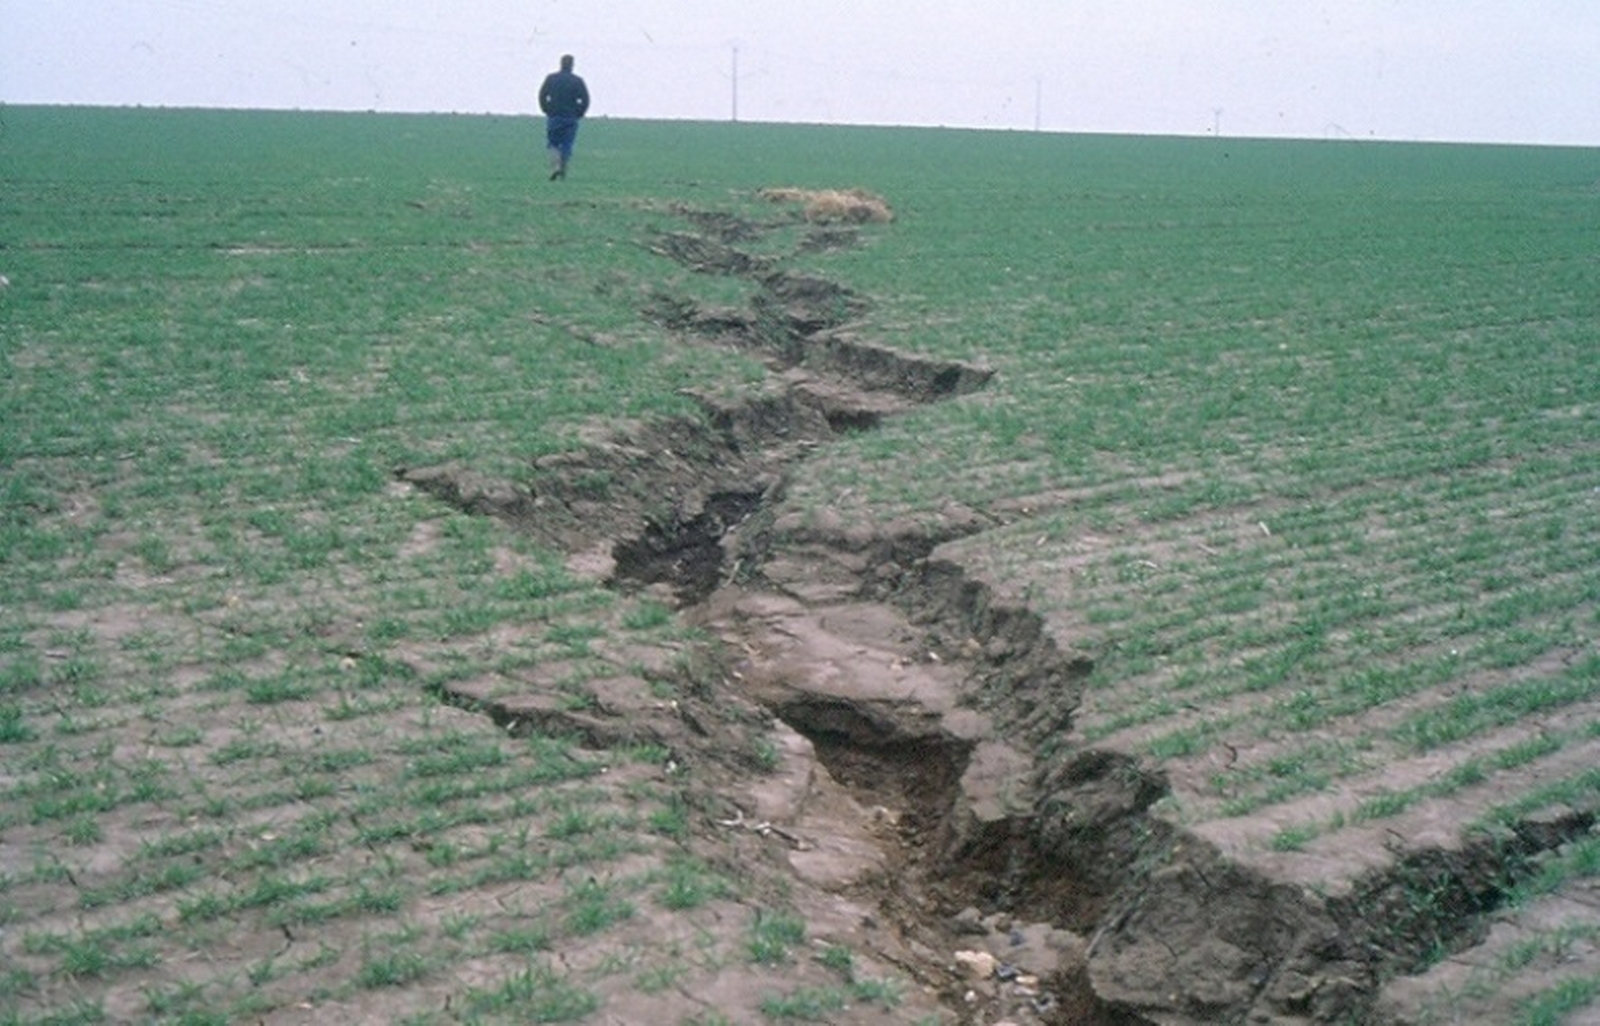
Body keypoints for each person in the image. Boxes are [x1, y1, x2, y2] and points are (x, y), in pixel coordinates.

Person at [539, 54, 590, 180]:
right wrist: (579, 113)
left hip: (554, 116)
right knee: (567, 144)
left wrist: (546, 109)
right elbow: (585, 99)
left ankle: (555, 167)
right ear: (572, 65)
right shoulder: (577, 81)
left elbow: (542, 95)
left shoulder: (551, 79)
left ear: (560, 64)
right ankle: (563, 170)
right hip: (571, 118)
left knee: (553, 144)